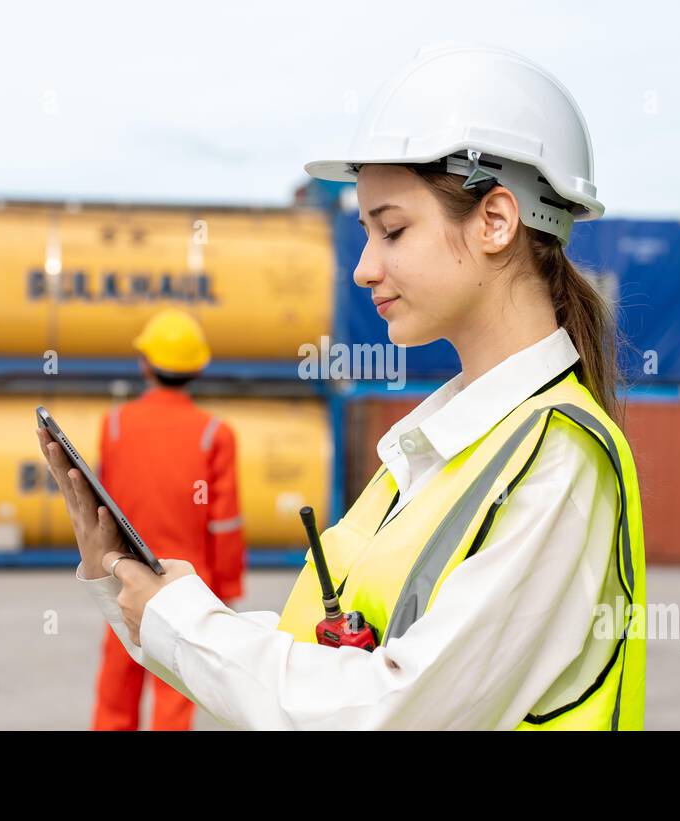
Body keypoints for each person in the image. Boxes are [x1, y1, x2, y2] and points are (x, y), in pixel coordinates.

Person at [37, 43, 647, 730]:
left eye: (392, 230)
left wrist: (185, 621)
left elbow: (385, 712)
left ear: (497, 221)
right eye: (365, 233)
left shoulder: (557, 462)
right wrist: (130, 583)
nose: (363, 267)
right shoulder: (429, 454)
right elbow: (313, 663)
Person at [87, 308, 245, 731]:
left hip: (125, 578)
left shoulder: (116, 425)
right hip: (186, 586)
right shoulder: (215, 433)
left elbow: (104, 508)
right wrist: (225, 588)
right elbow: (224, 522)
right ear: (198, 369)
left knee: (116, 689)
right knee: (174, 693)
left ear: (144, 364)